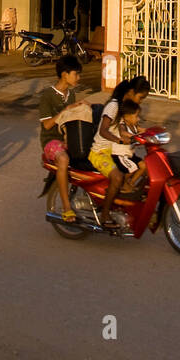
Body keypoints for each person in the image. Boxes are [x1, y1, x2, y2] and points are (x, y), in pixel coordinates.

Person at [89, 76, 150, 229]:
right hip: (100, 152)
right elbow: (103, 131)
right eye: (140, 97)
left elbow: (127, 128)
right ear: (131, 92)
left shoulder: (125, 107)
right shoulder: (114, 106)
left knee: (145, 166)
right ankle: (104, 213)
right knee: (117, 177)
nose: (140, 102)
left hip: (114, 150)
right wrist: (119, 140)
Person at [38, 55, 82, 224]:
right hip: (51, 141)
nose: (78, 78)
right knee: (63, 159)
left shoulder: (71, 94)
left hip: (67, 138)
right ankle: (66, 206)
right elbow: (48, 125)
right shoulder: (48, 95)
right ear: (65, 75)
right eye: (76, 74)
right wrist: (66, 110)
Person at [110, 98, 148, 196]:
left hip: (129, 154)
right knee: (133, 167)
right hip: (120, 155)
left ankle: (130, 183)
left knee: (144, 166)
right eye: (136, 116)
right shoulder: (122, 124)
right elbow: (122, 132)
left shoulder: (134, 125)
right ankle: (123, 184)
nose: (138, 119)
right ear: (126, 117)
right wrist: (131, 136)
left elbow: (144, 130)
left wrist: (152, 132)